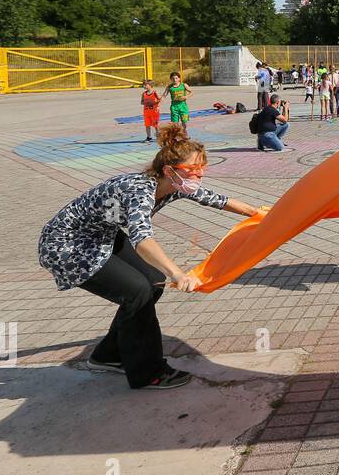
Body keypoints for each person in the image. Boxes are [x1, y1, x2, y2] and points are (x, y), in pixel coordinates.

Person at [37, 123, 259, 389]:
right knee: (138, 292)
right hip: (67, 246)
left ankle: (107, 355)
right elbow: (142, 239)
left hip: (100, 236)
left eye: (202, 168)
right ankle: (148, 372)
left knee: (151, 282)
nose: (199, 175)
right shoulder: (140, 190)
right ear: (169, 171)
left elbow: (219, 200)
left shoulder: (176, 184)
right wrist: (177, 273)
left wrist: (260, 214)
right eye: (193, 169)